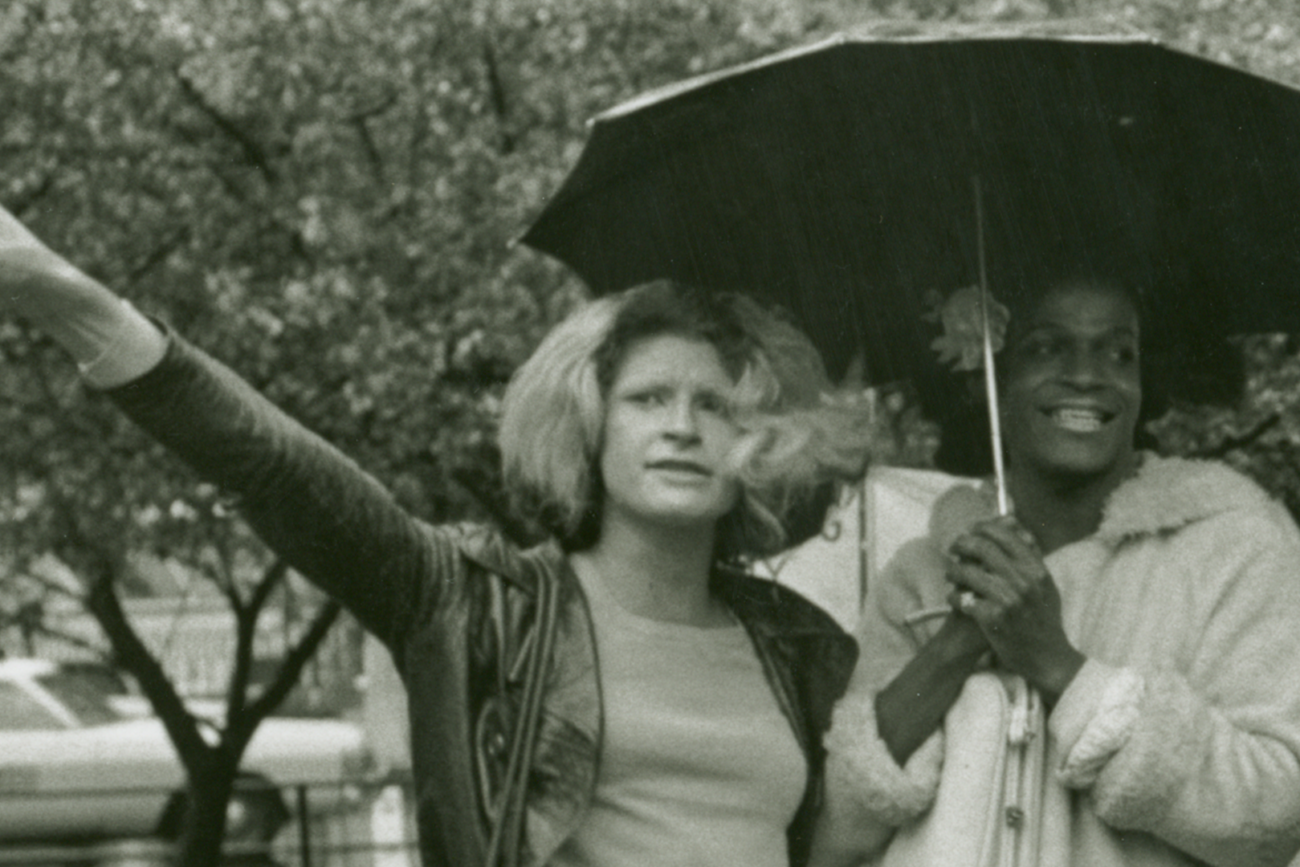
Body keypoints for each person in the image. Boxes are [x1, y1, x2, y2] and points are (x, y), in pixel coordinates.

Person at [0, 203, 874, 867]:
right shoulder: (474, 602)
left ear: (757, 442)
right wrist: (60, 292)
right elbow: (271, 464)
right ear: (589, 427)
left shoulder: (800, 644)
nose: (683, 426)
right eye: (649, 399)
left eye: (714, 404)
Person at [810, 272, 1300, 867]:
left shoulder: (1237, 548)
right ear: (989, 380)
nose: (1088, 375)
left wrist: (1057, 665)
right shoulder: (920, 572)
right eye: (1047, 346)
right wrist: (955, 646)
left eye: (1119, 353)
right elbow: (838, 833)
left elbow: (1277, 810)